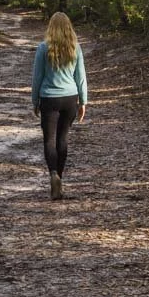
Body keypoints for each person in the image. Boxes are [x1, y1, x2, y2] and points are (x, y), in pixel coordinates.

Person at [31, 11, 87, 200]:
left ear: (51, 28)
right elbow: (81, 78)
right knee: (62, 139)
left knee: (49, 140)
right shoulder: (75, 48)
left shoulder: (43, 48)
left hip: (49, 98)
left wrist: (34, 101)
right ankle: (60, 178)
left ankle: (53, 174)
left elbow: (37, 77)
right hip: (70, 98)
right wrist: (83, 101)